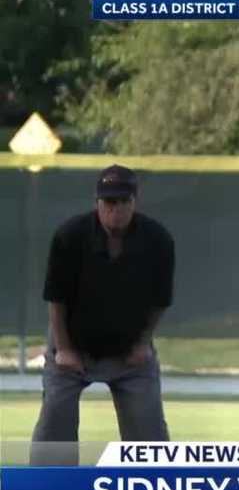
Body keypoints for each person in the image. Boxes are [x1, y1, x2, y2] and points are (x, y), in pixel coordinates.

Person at [32, 165, 175, 465]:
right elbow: (56, 300)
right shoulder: (70, 236)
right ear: (97, 202)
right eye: (109, 202)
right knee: (55, 426)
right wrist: (65, 350)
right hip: (72, 343)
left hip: (130, 349)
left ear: (135, 202)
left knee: (150, 438)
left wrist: (142, 344)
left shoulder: (158, 240)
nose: (116, 210)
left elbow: (160, 301)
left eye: (124, 202)